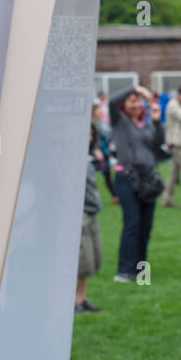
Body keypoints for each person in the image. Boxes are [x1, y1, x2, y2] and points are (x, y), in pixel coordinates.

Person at [108, 84, 164, 282]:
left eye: (138, 101)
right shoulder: (119, 122)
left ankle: (142, 270)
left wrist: (157, 121)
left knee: (145, 227)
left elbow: (158, 144)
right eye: (132, 100)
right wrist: (135, 88)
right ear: (125, 104)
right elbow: (112, 101)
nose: (136, 104)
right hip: (127, 178)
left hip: (148, 179)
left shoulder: (147, 123)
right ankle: (125, 270)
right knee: (132, 224)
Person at [76, 126, 103, 313]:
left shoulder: (86, 157)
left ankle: (81, 299)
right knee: (82, 261)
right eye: (86, 132)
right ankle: (73, 302)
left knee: (92, 261)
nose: (90, 136)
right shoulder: (71, 158)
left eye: (91, 133)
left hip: (91, 212)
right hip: (81, 214)